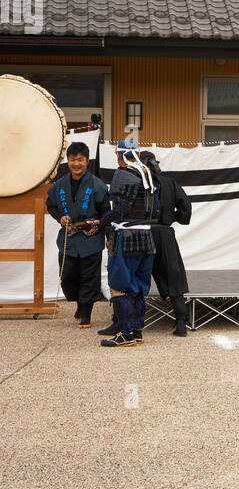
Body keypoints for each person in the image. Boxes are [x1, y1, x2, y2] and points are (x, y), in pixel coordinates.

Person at [98, 150, 192, 338]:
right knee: (173, 276)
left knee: (129, 280)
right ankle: (181, 322)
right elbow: (186, 208)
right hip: (163, 233)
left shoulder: (131, 179)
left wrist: (103, 225)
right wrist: (171, 219)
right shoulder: (168, 182)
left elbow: (119, 210)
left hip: (137, 233)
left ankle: (120, 324)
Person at [88, 141, 156, 348]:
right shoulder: (149, 175)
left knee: (119, 287)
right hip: (147, 238)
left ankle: (125, 333)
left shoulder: (122, 174)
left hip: (125, 237)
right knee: (138, 288)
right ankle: (136, 331)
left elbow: (118, 210)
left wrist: (100, 223)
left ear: (120, 155)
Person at [45, 142, 110, 328]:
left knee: (90, 277)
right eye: (73, 160)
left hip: (91, 237)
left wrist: (106, 236)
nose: (76, 164)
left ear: (87, 161)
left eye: (80, 160)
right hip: (68, 239)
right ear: (68, 161)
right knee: (67, 277)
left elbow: (106, 212)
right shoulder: (60, 184)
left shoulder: (97, 185)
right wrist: (60, 218)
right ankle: (80, 303)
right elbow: (50, 205)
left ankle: (86, 312)